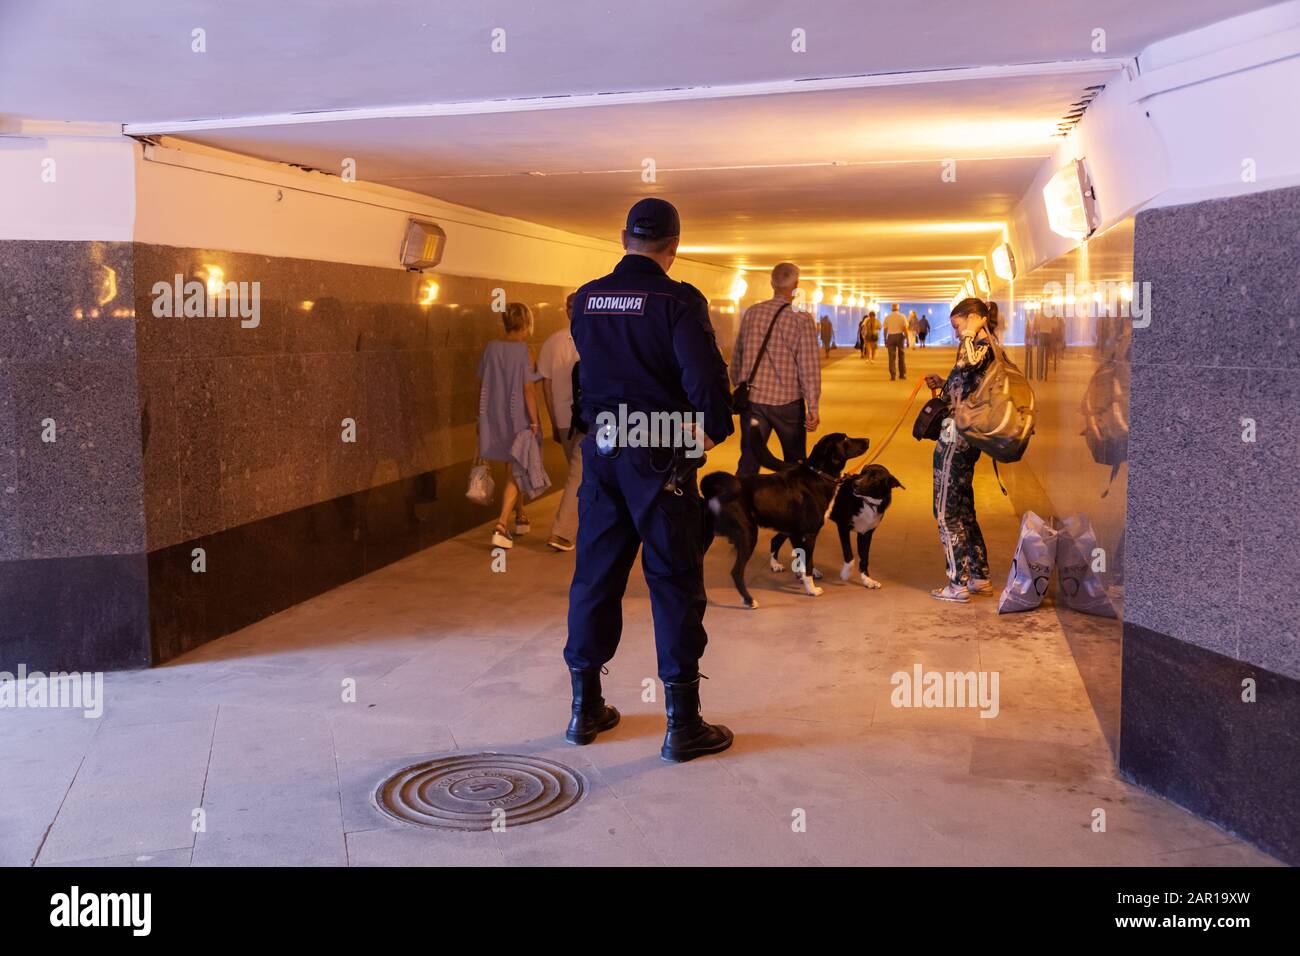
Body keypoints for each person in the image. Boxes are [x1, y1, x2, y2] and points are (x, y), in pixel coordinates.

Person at [563, 197, 736, 763]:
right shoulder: (677, 300)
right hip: (659, 454)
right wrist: (707, 434)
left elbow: (586, 377)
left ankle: (585, 710)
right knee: (674, 581)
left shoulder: (586, 299)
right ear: (675, 246)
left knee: (594, 576)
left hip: (605, 449)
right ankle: (682, 726)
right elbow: (705, 380)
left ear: (623, 238)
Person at [923, 297, 999, 602]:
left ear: (974, 318)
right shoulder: (982, 348)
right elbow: (968, 381)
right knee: (963, 507)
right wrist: (944, 382)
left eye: (958, 325)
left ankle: (956, 583)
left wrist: (970, 331)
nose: (956, 333)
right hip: (965, 433)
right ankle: (979, 576)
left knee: (944, 511)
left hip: (957, 436)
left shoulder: (981, 345)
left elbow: (970, 361)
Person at [731, 262, 822, 476]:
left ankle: (743, 503)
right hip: (788, 405)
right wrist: (813, 406)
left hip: (754, 402)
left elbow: (738, 354)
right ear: (796, 286)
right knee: (795, 461)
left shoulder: (753, 313)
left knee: (750, 459)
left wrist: (738, 384)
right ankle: (792, 505)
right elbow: (808, 366)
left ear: (772, 283)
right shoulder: (801, 317)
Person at [476, 302, 543, 549]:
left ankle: (520, 514)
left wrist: (479, 418)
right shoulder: (525, 351)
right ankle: (501, 526)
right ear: (526, 323)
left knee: (512, 465)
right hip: (519, 418)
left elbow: (483, 384)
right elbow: (528, 389)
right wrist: (535, 420)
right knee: (518, 468)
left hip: (494, 416)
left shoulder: (490, 348)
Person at [537, 292, 582, 551]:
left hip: (564, 420)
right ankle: (562, 533)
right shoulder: (595, 338)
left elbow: (546, 384)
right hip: (589, 420)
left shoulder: (553, 342)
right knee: (579, 476)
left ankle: (582, 526)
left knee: (580, 474)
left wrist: (553, 421)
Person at [882, 303, 909, 381]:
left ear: (892, 309)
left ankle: (893, 375)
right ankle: (902, 374)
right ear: (898, 308)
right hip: (900, 336)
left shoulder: (887, 317)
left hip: (890, 337)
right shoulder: (902, 316)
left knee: (891, 357)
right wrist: (907, 339)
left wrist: (885, 339)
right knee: (901, 356)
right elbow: (905, 328)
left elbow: (885, 329)